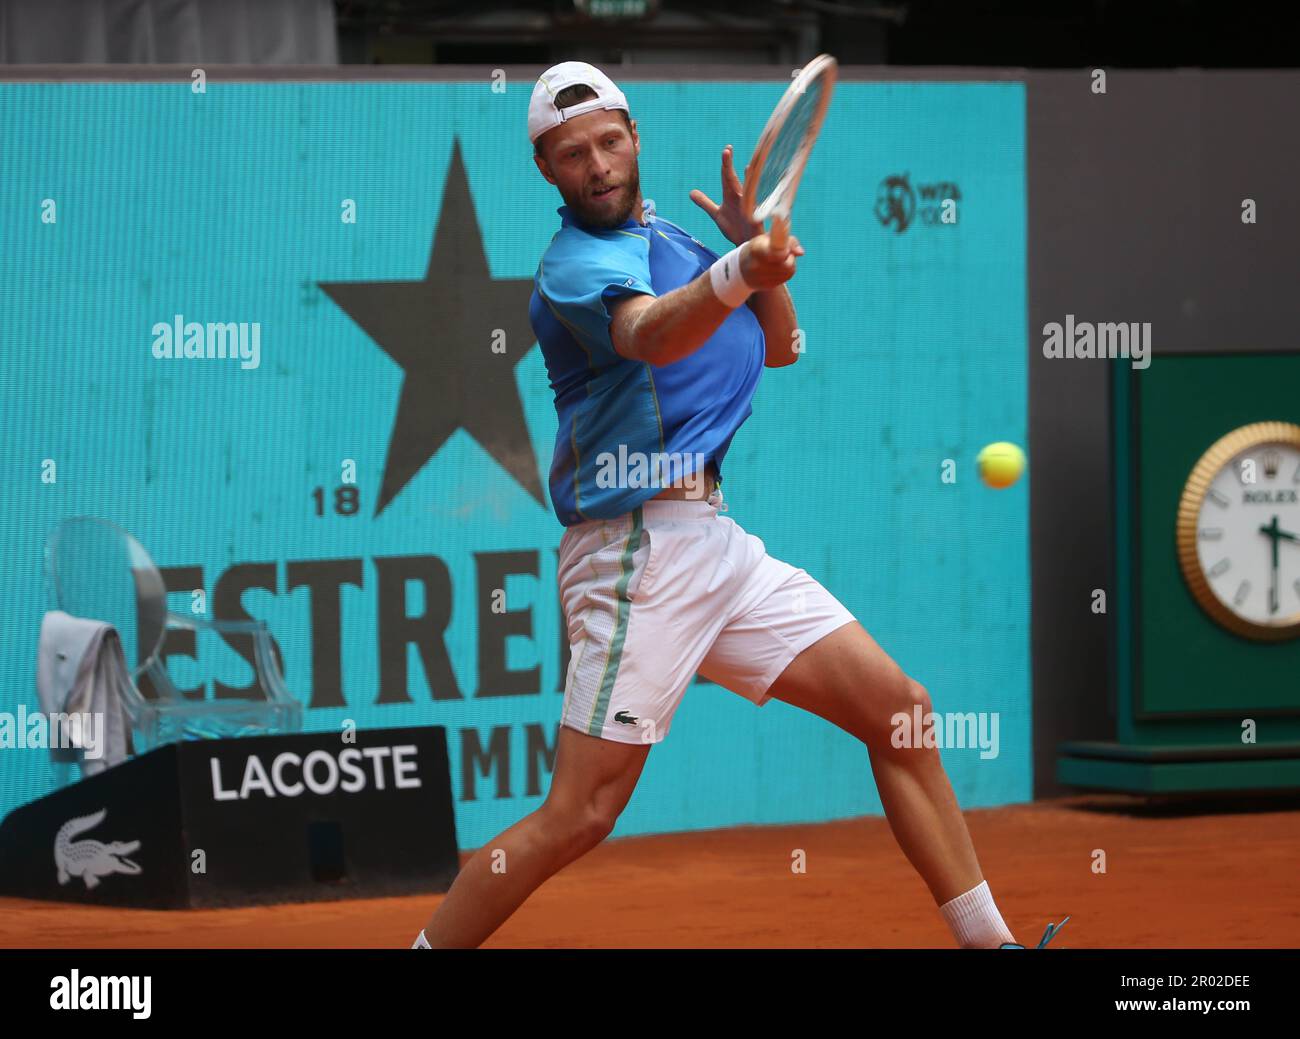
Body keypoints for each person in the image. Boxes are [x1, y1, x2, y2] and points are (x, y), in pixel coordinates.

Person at [412, 61, 1066, 950]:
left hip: (713, 540)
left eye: (608, 141)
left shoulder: (675, 237)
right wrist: (734, 271)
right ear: (547, 170)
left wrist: (756, 256)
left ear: (634, 136)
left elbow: (784, 345)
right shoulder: (575, 264)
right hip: (633, 554)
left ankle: (993, 947)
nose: (596, 164)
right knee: (579, 814)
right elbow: (651, 333)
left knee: (900, 711)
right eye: (572, 154)